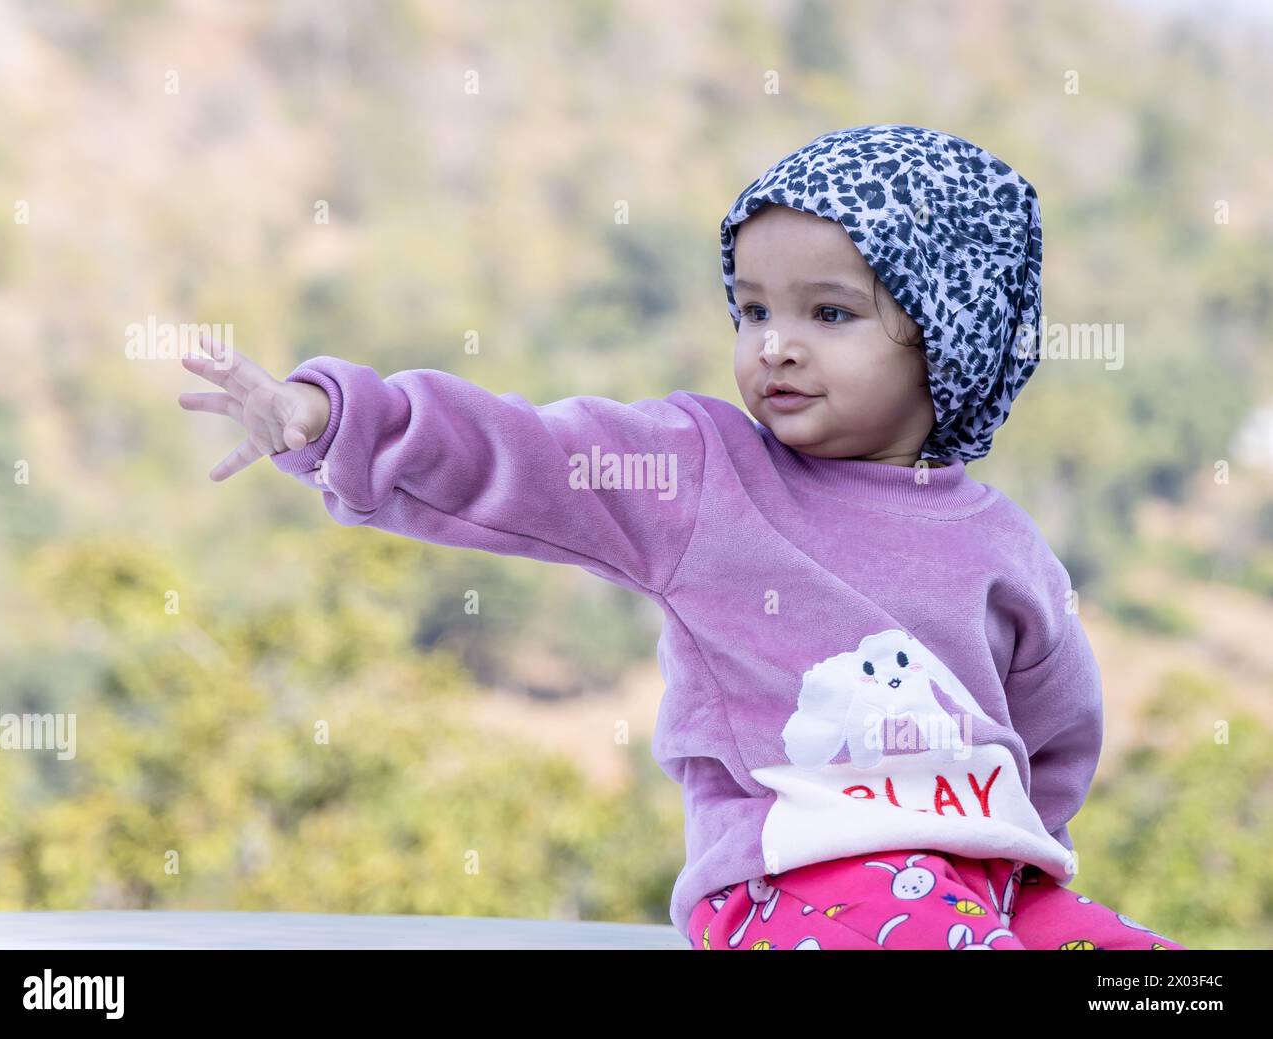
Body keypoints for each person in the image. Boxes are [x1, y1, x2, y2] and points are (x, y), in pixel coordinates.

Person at [178, 123, 1187, 950]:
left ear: (947, 334)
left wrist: (1017, 870)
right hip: (794, 884)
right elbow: (519, 454)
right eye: (750, 310)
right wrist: (333, 422)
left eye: (829, 312)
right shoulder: (702, 474)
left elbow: (1054, 742)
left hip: (978, 888)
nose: (773, 344)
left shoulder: (1003, 544)